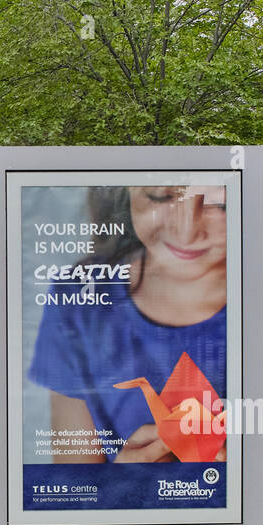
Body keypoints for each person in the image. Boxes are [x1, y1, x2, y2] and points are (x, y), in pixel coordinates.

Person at [29, 185, 229, 465]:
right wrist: (122, 485)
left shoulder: (249, 307)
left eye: (220, 205)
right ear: (124, 196)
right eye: (161, 196)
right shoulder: (77, 295)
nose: (186, 233)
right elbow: (76, 481)